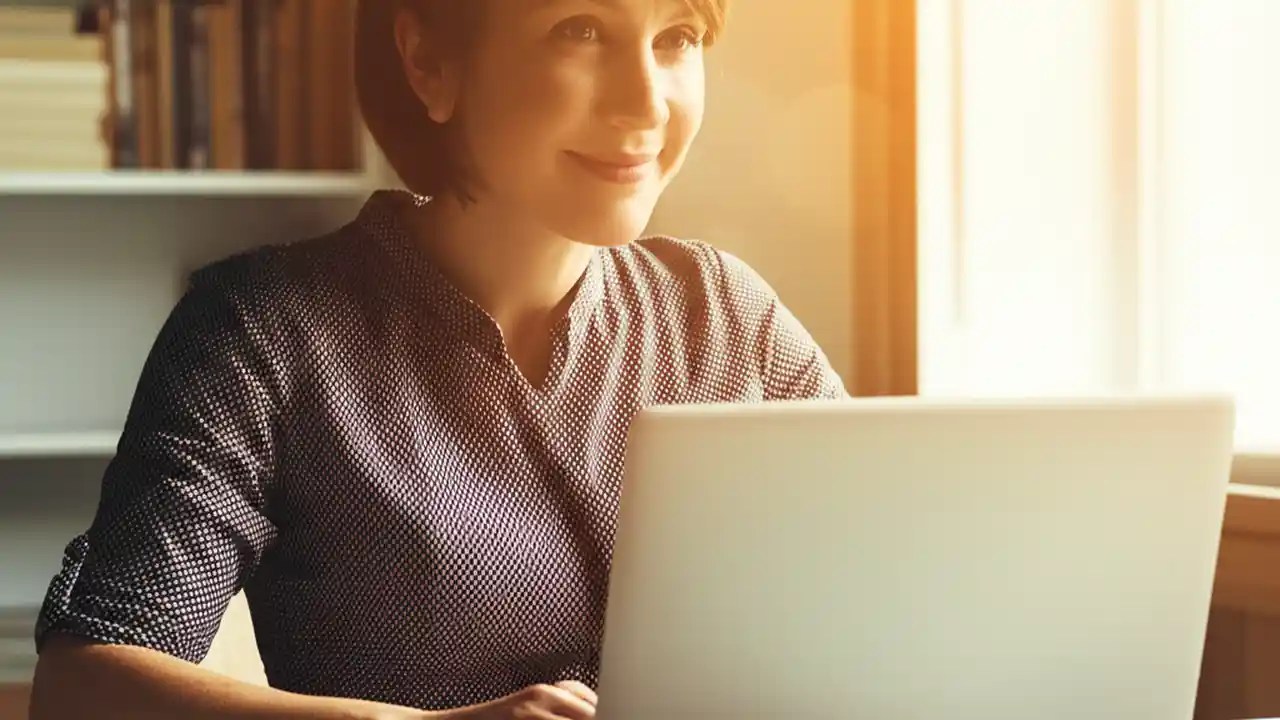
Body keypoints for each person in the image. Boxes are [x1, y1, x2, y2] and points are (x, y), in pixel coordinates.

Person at [28, 1, 845, 718]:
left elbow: (888, 586)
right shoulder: (266, 331)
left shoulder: (729, 316)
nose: (646, 103)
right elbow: (83, 689)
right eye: (582, 29)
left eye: (678, 37)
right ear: (427, 61)